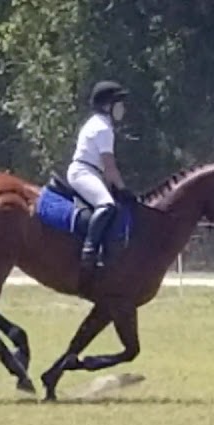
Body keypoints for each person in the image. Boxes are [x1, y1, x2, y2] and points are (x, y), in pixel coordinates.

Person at [66, 80, 131, 282]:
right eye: (119, 103)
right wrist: (123, 188)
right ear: (107, 106)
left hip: (89, 171)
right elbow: (109, 166)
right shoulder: (103, 129)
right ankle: (89, 250)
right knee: (107, 204)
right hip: (83, 172)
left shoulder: (100, 124)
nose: (123, 109)